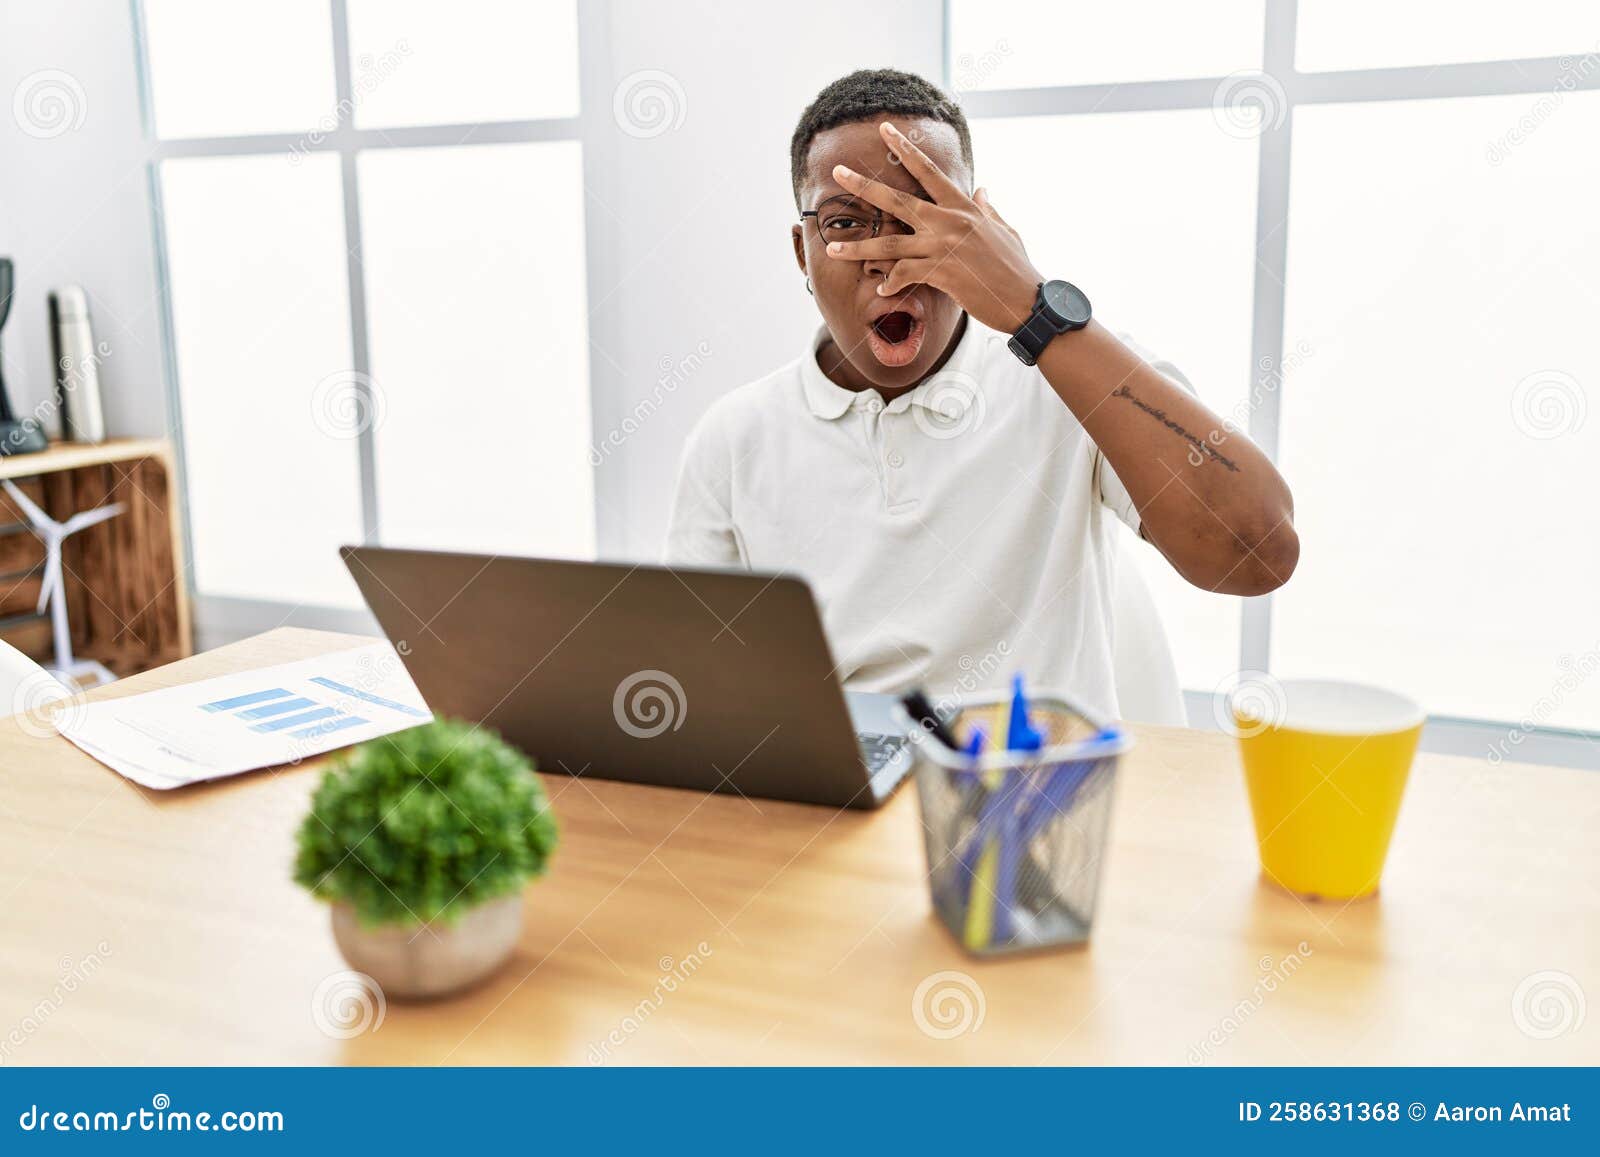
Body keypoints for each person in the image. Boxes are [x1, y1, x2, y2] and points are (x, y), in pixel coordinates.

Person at [665, 69, 1298, 718]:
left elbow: (1258, 552)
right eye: (847, 222)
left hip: (1036, 800)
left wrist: (1035, 310)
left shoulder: (1072, 378)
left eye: (926, 216)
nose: (887, 257)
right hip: (838, 802)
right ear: (803, 252)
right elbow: (698, 687)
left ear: (983, 230)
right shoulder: (733, 438)